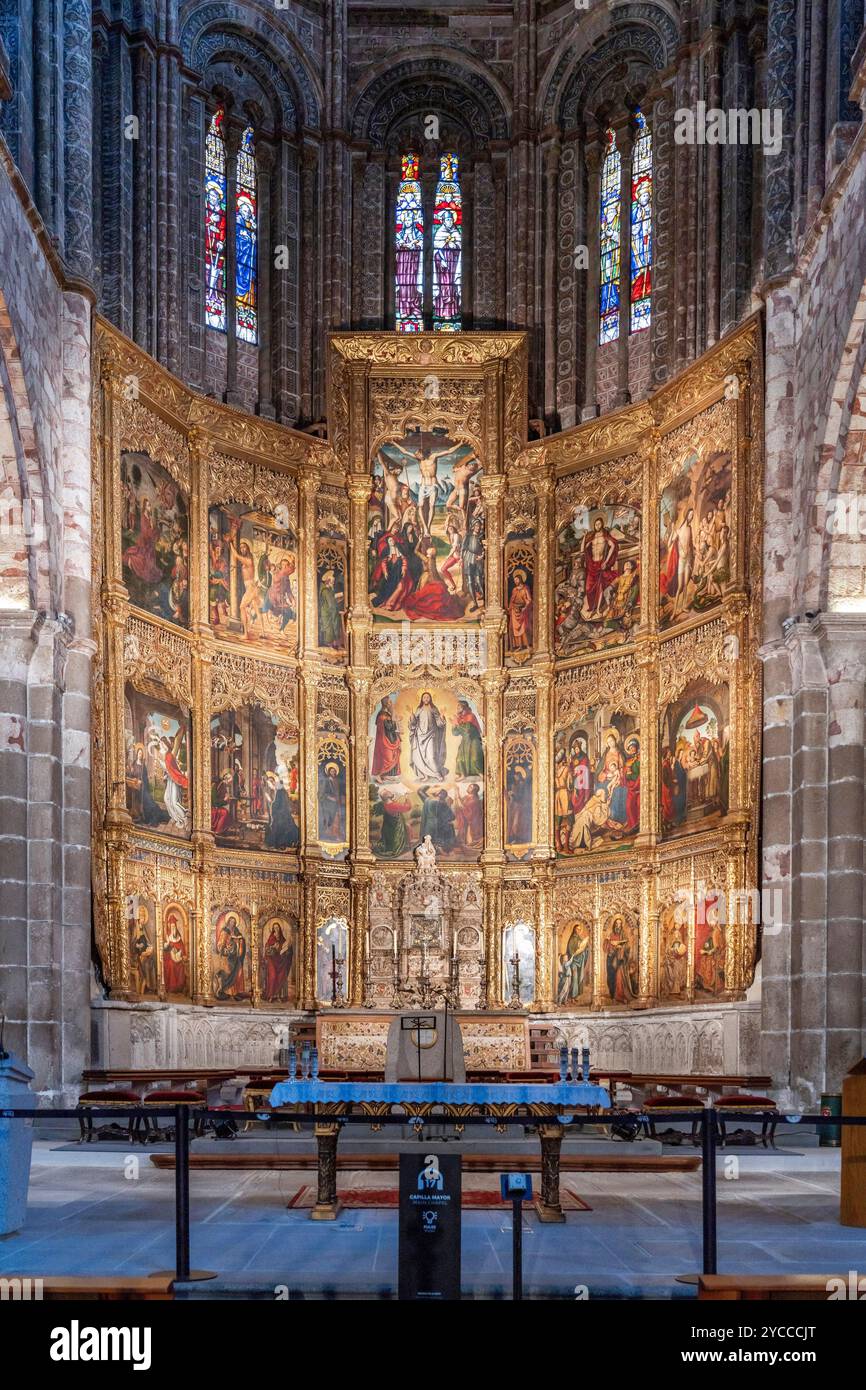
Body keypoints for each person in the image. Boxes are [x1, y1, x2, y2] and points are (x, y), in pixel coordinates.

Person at [408, 691, 448, 782]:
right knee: (421, 756)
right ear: (422, 699)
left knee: (431, 756)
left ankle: (437, 774)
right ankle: (425, 775)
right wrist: (411, 714)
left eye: (427, 697)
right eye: (424, 697)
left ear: (430, 699)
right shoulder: (419, 709)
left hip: (431, 735)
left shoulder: (433, 709)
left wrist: (441, 715)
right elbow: (414, 723)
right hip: (419, 736)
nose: (426, 699)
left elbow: (439, 723)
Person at [263, 920, 293, 1003]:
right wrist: (273, 948)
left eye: (277, 927)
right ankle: (271, 995)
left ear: (280, 928)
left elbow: (286, 949)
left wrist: (287, 950)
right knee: (273, 976)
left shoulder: (283, 939)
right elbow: (267, 950)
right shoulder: (271, 938)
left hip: (280, 961)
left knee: (282, 975)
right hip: (271, 960)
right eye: (274, 927)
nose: (276, 929)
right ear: (272, 929)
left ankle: (278, 995)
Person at [375, 787, 411, 856]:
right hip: (395, 827)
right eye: (389, 792)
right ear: (388, 797)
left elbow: (393, 803)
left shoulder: (386, 803)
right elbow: (408, 807)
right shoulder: (393, 805)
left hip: (388, 827)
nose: (391, 792)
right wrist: (407, 797)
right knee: (408, 827)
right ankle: (405, 846)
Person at [371, 697, 402, 779]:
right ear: (385, 704)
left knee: (392, 755)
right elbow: (389, 727)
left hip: (390, 738)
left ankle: (384, 775)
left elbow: (391, 726)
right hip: (384, 740)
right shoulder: (382, 715)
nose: (391, 704)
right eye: (389, 702)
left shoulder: (387, 714)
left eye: (391, 702)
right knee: (387, 758)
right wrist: (395, 721)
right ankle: (379, 775)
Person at [452, 699, 484, 777]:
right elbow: (455, 733)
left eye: (459, 706)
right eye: (457, 707)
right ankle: (463, 774)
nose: (457, 708)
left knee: (475, 757)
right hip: (465, 741)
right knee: (460, 758)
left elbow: (467, 730)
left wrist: (457, 724)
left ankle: (480, 773)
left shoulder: (471, 716)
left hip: (474, 739)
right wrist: (454, 725)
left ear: (464, 707)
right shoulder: (459, 718)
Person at [317, 566, 344, 648]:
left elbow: (331, 597)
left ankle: (332, 644)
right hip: (327, 613)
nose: (333, 583)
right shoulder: (325, 591)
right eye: (332, 582)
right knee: (329, 630)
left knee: (330, 629)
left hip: (327, 612)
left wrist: (337, 595)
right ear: (328, 582)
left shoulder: (327, 589)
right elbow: (332, 605)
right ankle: (330, 645)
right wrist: (338, 610)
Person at [508, 568, 533, 650]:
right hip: (514, 610)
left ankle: (528, 644)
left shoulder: (525, 588)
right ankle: (519, 646)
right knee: (515, 630)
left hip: (523, 610)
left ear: (521, 579)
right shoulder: (514, 590)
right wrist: (510, 608)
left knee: (524, 628)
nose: (515, 581)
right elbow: (512, 600)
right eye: (514, 580)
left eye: (517, 579)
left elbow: (529, 600)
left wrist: (525, 608)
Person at [162, 911, 188, 994]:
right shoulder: (168, 935)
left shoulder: (178, 935)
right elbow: (165, 949)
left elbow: (182, 946)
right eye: (172, 926)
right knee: (171, 965)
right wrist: (168, 947)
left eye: (174, 926)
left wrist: (182, 953)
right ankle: (172, 987)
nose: (173, 928)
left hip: (178, 957)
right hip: (169, 957)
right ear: (170, 926)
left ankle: (179, 987)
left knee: (181, 965)